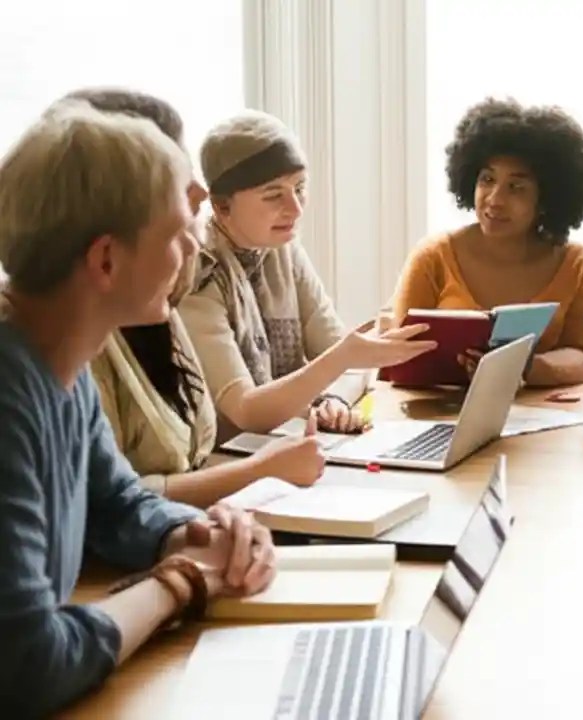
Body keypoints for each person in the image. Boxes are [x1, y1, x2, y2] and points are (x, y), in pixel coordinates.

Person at [0, 101, 276, 717]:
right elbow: (26, 664)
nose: (193, 246)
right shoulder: (9, 389)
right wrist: (181, 583)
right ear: (106, 260)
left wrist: (203, 532)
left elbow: (121, 504)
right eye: (179, 231)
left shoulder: (55, 363)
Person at [64, 89, 325, 508]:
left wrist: (192, 537)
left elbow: (134, 499)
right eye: (176, 225)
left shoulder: (154, 306)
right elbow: (102, 508)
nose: (194, 246)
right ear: (108, 244)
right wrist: (255, 473)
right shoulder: (50, 354)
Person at [179, 110, 436, 437]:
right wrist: (343, 359)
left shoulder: (282, 248)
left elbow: (349, 364)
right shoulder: (197, 273)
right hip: (229, 463)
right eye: (273, 195)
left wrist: (333, 399)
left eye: (299, 188)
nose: (296, 208)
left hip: (289, 446)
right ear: (221, 206)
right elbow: (245, 411)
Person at [390, 98, 583, 387]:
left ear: (546, 198)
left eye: (516, 187)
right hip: (437, 415)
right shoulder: (432, 258)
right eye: (487, 179)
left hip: (543, 418)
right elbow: (396, 355)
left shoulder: (579, 265)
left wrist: (521, 366)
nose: (495, 199)